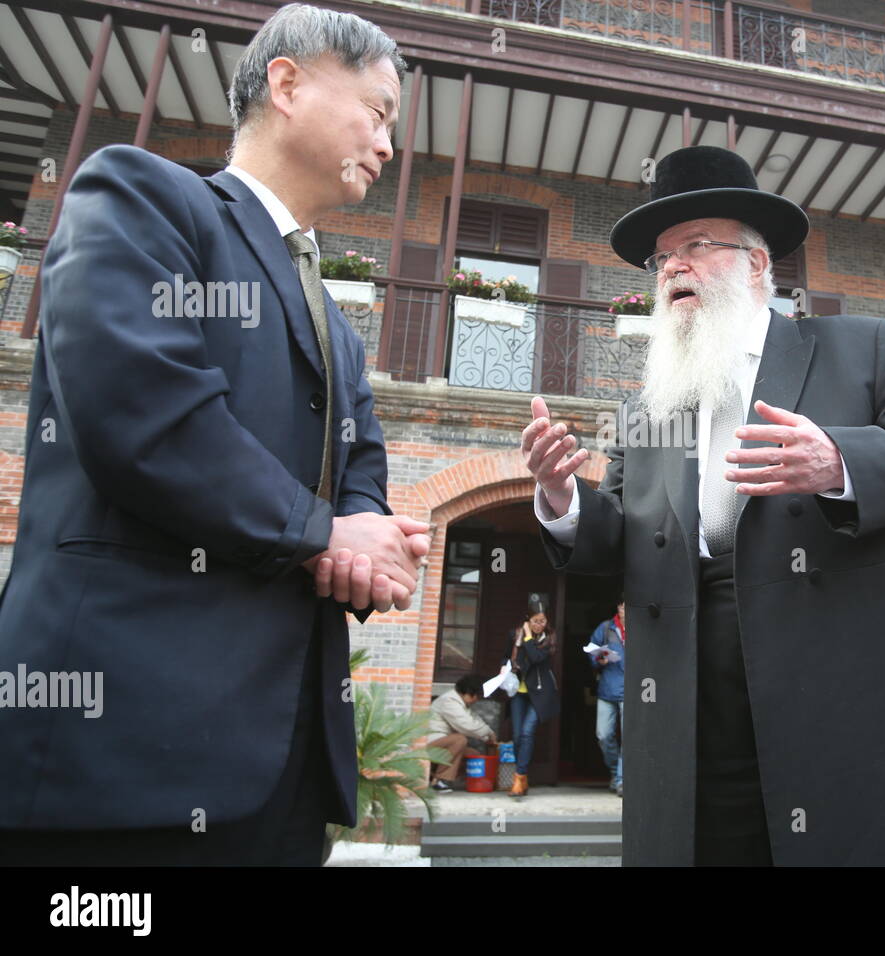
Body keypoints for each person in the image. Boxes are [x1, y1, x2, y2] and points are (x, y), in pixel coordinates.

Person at [0, 4, 432, 867]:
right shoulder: (138, 196)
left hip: (283, 777)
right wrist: (322, 535)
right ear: (287, 81)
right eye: (378, 112)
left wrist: (369, 543)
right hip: (119, 763)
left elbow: (361, 468)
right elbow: (144, 412)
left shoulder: (341, 331)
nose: (388, 147)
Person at [521, 145, 885, 866]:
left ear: (755, 264)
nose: (672, 269)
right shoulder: (648, 408)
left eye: (694, 247)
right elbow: (616, 539)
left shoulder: (858, 348)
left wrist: (838, 462)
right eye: (661, 259)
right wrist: (562, 499)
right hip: (690, 696)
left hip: (833, 681)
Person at [507, 602, 560, 797]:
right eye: (536, 621)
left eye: (542, 621)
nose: (540, 625)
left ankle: (519, 777)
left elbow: (537, 657)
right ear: (528, 620)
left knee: (528, 733)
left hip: (540, 693)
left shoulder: (549, 639)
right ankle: (523, 775)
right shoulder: (515, 635)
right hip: (519, 692)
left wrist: (528, 636)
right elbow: (507, 656)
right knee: (517, 735)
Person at [428, 675, 500, 793]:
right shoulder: (449, 701)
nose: (477, 700)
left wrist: (489, 736)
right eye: (477, 696)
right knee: (459, 740)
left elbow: (475, 720)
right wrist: (487, 734)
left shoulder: (461, 703)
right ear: (468, 692)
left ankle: (436, 777)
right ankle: (441, 780)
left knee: (474, 755)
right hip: (429, 745)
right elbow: (467, 725)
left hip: (442, 744)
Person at [587, 598, 627, 796]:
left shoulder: (642, 627)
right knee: (603, 735)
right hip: (608, 688)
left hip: (633, 690)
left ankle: (621, 780)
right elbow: (591, 651)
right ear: (618, 607)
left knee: (628, 737)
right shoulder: (606, 628)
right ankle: (614, 771)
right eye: (621, 605)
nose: (624, 609)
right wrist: (598, 659)